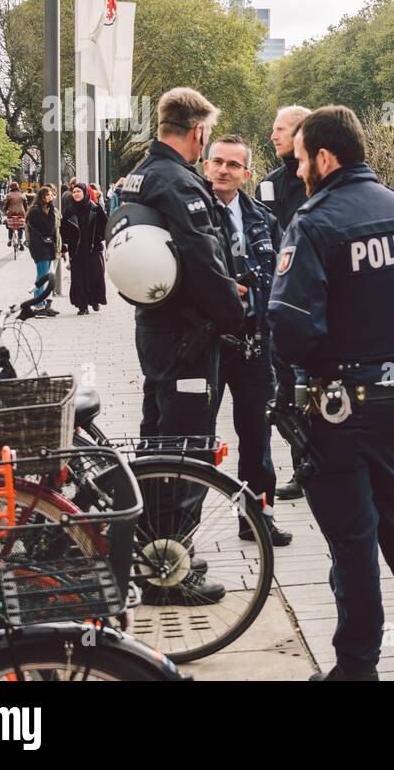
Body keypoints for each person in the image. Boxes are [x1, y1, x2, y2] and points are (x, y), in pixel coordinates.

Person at [267, 105, 394, 682]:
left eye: (302, 158)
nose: (299, 169)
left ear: (325, 158)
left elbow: (289, 326)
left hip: (334, 404)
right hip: (391, 399)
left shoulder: (313, 222)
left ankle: (357, 667)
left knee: (352, 541)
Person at [119, 87, 245, 607]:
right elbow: (202, 256)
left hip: (155, 327)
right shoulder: (178, 182)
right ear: (198, 132)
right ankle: (171, 569)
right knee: (187, 448)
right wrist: (238, 315)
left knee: (158, 440)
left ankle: (157, 548)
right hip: (188, 336)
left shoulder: (137, 175)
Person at [203, 134, 292, 547]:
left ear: (246, 173)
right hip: (206, 343)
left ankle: (258, 518)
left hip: (255, 342)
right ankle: (181, 530)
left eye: (233, 165)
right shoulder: (193, 214)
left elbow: (279, 274)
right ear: (206, 165)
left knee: (257, 436)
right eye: (217, 161)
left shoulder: (262, 216)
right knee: (198, 438)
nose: (223, 170)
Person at [255, 104, 312, 502]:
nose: (273, 135)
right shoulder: (269, 185)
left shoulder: (321, 181)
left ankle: (323, 464)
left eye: (281, 129)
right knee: (288, 389)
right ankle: (302, 467)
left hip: (317, 298)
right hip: (282, 298)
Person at [60, 183, 107, 315]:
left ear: (85, 193)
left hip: (93, 249)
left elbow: (105, 226)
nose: (75, 194)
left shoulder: (95, 209)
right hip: (77, 251)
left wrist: (99, 238)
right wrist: (65, 244)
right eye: (74, 192)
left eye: (78, 191)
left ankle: (95, 301)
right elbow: (63, 230)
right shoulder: (69, 211)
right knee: (79, 278)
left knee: (95, 276)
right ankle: (82, 306)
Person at [26, 186, 58, 313]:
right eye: (49, 195)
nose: (51, 197)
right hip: (39, 246)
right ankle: (38, 304)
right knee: (42, 276)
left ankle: (40, 302)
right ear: (43, 197)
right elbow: (48, 227)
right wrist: (51, 211)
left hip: (46, 246)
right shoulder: (35, 211)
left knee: (42, 275)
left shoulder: (45, 209)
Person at [3, 182, 27, 250]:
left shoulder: (9, 195)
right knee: (20, 227)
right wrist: (26, 211)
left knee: (10, 226)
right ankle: (21, 241)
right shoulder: (22, 194)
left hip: (11, 213)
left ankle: (10, 240)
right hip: (21, 213)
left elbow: (6, 205)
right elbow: (25, 204)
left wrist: (5, 211)